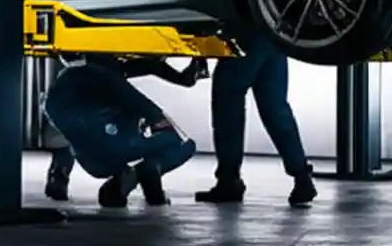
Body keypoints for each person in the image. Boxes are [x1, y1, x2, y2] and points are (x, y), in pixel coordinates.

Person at [43, 52, 204, 207]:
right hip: (118, 148)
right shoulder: (109, 80)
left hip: (93, 164)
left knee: (79, 132)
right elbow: (151, 112)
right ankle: (147, 171)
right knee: (184, 145)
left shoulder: (56, 92)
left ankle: (59, 174)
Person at [195, 31, 317, 207]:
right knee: (276, 109)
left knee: (228, 103)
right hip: (275, 35)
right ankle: (302, 176)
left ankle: (229, 180)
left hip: (245, 34)